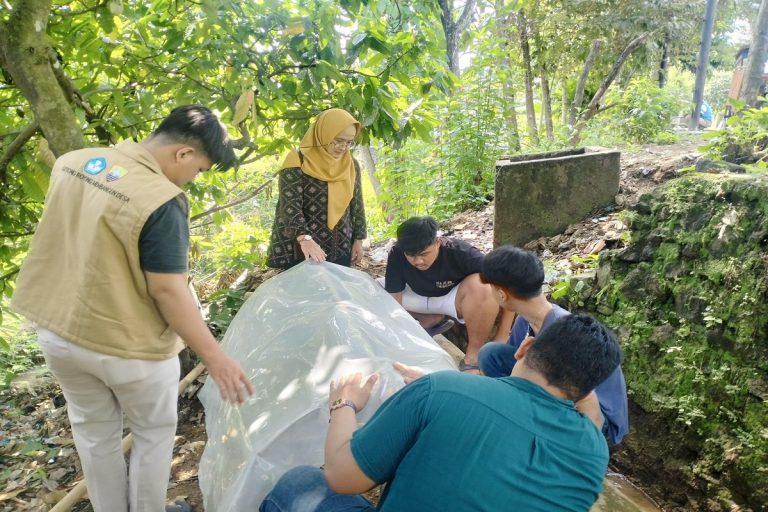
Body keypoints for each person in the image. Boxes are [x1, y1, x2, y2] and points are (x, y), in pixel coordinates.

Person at [11, 105, 255, 512]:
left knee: (94, 436)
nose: (193, 179)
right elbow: (166, 290)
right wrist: (215, 357)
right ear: (183, 154)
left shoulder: (73, 164)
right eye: (198, 169)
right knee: (152, 436)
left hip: (58, 332)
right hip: (127, 347)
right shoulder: (162, 200)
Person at [260, 314, 624, 512]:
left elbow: (342, 478)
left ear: (523, 346)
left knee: (301, 483)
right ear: (588, 390)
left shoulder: (442, 391)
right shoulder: (594, 453)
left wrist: (344, 405)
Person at [477, 245, 629, 444]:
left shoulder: (566, 333)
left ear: (502, 294)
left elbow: (575, 393)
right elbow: (517, 368)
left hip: (598, 419)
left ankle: (536, 432)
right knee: (492, 354)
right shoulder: (526, 320)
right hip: (556, 392)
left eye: (491, 287)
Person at [381, 216, 513, 372]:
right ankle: (430, 320)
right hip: (418, 299)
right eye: (411, 255)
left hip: (451, 300)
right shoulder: (397, 253)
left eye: (424, 254)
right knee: (372, 287)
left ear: (438, 243)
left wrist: (503, 334)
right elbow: (394, 297)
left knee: (483, 286)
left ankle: (473, 356)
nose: (418, 261)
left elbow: (508, 285)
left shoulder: (461, 253)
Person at [267, 108, 367, 268]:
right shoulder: (298, 162)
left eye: (349, 142)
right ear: (324, 134)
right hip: (303, 248)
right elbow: (290, 207)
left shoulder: (351, 164)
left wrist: (359, 239)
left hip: (340, 246)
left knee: (337, 291)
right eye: (338, 140)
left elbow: (357, 204)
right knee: (304, 292)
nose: (343, 147)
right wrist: (304, 239)